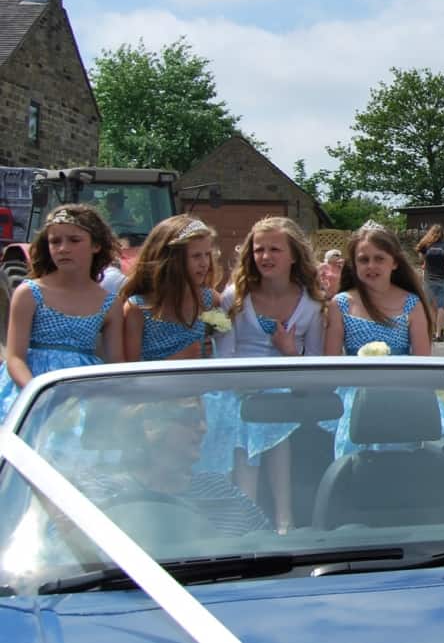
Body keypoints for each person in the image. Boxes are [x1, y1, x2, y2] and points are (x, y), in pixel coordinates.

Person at [216, 216, 325, 533]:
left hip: (288, 392)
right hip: (239, 391)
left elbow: (317, 362)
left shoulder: (312, 304)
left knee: (273, 410)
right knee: (250, 416)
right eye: (259, 249)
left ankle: (283, 517)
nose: (265, 257)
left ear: (293, 255)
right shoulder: (235, 298)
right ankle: (247, 513)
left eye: (275, 249)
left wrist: (291, 351)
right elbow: (225, 355)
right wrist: (246, 385)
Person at [324, 223, 444, 457]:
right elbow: (331, 365)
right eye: (363, 260)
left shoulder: (412, 304)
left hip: (402, 396)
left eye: (379, 258)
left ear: (394, 262)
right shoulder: (340, 304)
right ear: (354, 264)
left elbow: (422, 364)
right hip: (356, 400)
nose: (371, 266)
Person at [77, 396, 272, 537]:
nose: (203, 428)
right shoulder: (102, 492)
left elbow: (266, 543)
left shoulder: (218, 489)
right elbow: (63, 552)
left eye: (204, 419)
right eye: (192, 418)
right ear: (151, 427)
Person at [1, 206, 122, 416]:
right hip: (30, 391)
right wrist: (37, 394)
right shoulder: (29, 293)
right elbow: (15, 358)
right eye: (55, 241)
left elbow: (117, 363)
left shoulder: (110, 303)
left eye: (74, 240)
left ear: (96, 245)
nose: (63, 248)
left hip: (82, 393)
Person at [121, 215, 221, 363]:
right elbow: (130, 372)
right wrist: (179, 358)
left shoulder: (208, 300)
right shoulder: (137, 308)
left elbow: (228, 332)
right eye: (196, 256)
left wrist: (212, 345)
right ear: (170, 260)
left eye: (207, 254)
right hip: (157, 385)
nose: (205, 263)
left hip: (200, 384)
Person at [416, 224, 444, 343]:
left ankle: (432, 332)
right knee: (441, 306)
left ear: (431, 233)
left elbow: (421, 258)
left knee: (429, 306)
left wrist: (426, 263)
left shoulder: (426, 245)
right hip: (442, 278)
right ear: (442, 233)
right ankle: (439, 333)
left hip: (428, 279)